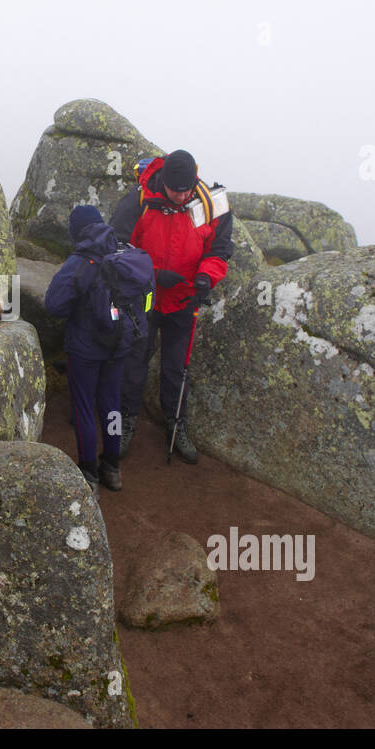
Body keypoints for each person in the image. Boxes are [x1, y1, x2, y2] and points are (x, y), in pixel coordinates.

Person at [115, 150, 233, 463]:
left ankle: (176, 424)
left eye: (186, 190)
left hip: (184, 299)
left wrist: (208, 277)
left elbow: (219, 251)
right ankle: (126, 421)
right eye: (175, 190)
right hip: (145, 297)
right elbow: (117, 251)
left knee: (177, 367)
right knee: (134, 360)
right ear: (163, 181)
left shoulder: (211, 205)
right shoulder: (138, 202)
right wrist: (153, 275)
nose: (181, 197)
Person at [43, 205, 145, 493]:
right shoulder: (124, 251)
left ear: (77, 232)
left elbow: (54, 305)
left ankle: (89, 473)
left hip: (86, 349)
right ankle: (112, 467)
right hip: (119, 345)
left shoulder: (80, 261)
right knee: (111, 406)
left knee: (85, 408)